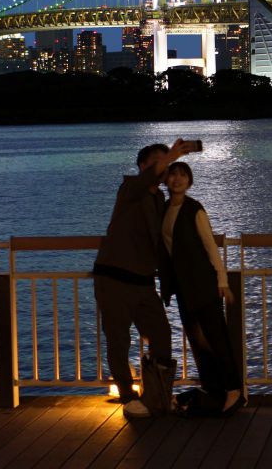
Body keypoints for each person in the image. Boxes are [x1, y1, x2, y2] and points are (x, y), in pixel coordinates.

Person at [93, 139, 198, 418]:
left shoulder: (159, 199)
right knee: (118, 340)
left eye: (167, 163)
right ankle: (128, 397)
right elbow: (145, 180)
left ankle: (155, 395)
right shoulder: (130, 188)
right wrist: (172, 155)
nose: (164, 168)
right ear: (143, 166)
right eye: (157, 162)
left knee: (161, 335)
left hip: (143, 281)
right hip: (114, 278)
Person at [159, 161, 245, 415]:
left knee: (217, 339)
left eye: (183, 175)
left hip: (203, 284)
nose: (177, 179)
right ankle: (212, 389)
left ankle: (234, 390)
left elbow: (210, 246)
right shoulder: (164, 209)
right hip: (183, 286)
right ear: (166, 180)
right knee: (198, 340)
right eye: (173, 175)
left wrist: (222, 281)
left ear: (190, 181)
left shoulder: (194, 209)